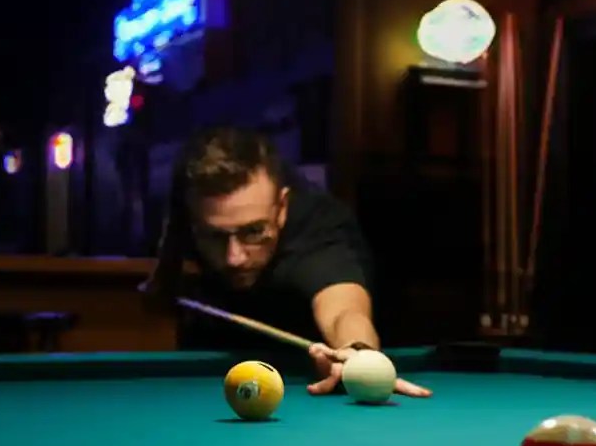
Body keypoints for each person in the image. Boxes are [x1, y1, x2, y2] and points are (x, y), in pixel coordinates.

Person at [141, 126, 431, 398]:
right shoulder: (190, 212)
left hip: (308, 378)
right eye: (214, 237)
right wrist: (163, 278)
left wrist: (358, 353)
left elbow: (343, 309)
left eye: (254, 231)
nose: (234, 257)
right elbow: (173, 234)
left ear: (281, 208)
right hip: (206, 367)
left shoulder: (318, 228)